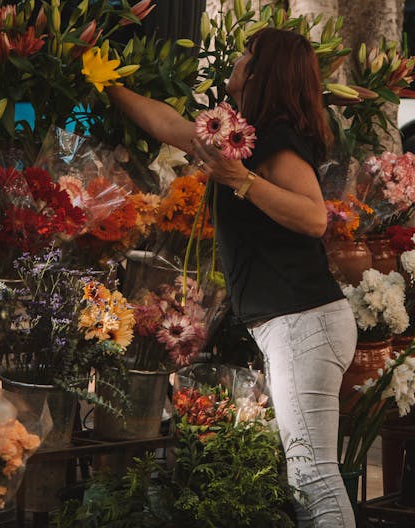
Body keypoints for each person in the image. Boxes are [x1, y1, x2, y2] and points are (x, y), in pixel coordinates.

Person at [108, 27, 358, 527]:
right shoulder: (243, 136)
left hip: (302, 323)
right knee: (307, 473)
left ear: (263, 72)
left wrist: (244, 182)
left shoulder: (276, 144)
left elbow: (313, 217)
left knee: (314, 477)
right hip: (296, 323)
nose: (238, 59)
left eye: (248, 53)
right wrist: (105, 82)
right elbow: (170, 125)